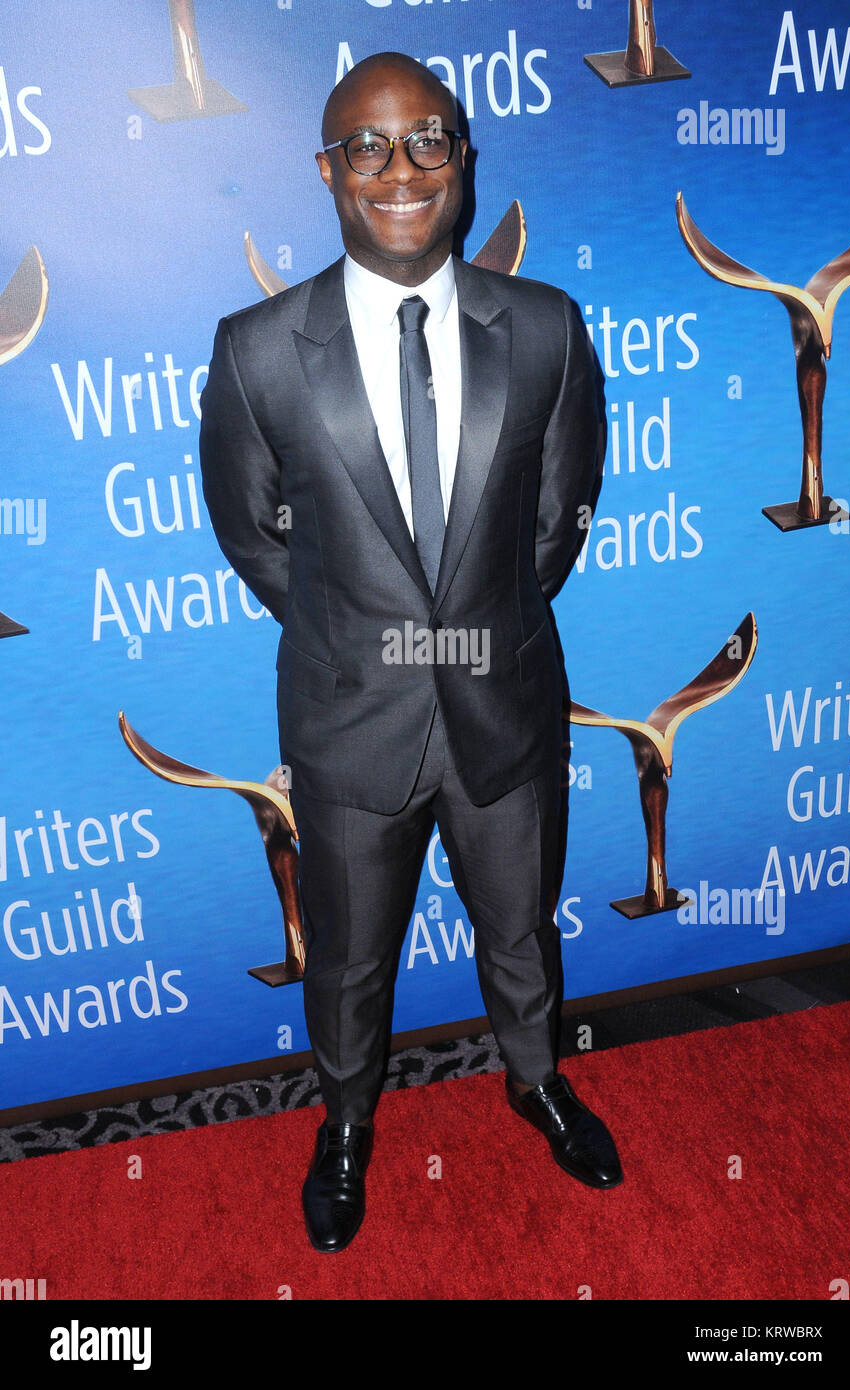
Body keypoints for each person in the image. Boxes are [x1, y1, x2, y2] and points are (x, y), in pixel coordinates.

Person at [199, 50, 620, 1254]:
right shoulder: (257, 348)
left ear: (462, 157)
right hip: (348, 719)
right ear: (327, 168)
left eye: (427, 138)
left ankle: (536, 1081)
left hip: (505, 702)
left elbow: (554, 522)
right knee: (347, 958)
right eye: (367, 146)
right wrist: (365, 642)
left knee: (520, 928)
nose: (401, 169)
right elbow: (252, 535)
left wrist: (472, 631)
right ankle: (344, 1125)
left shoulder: (543, 328)